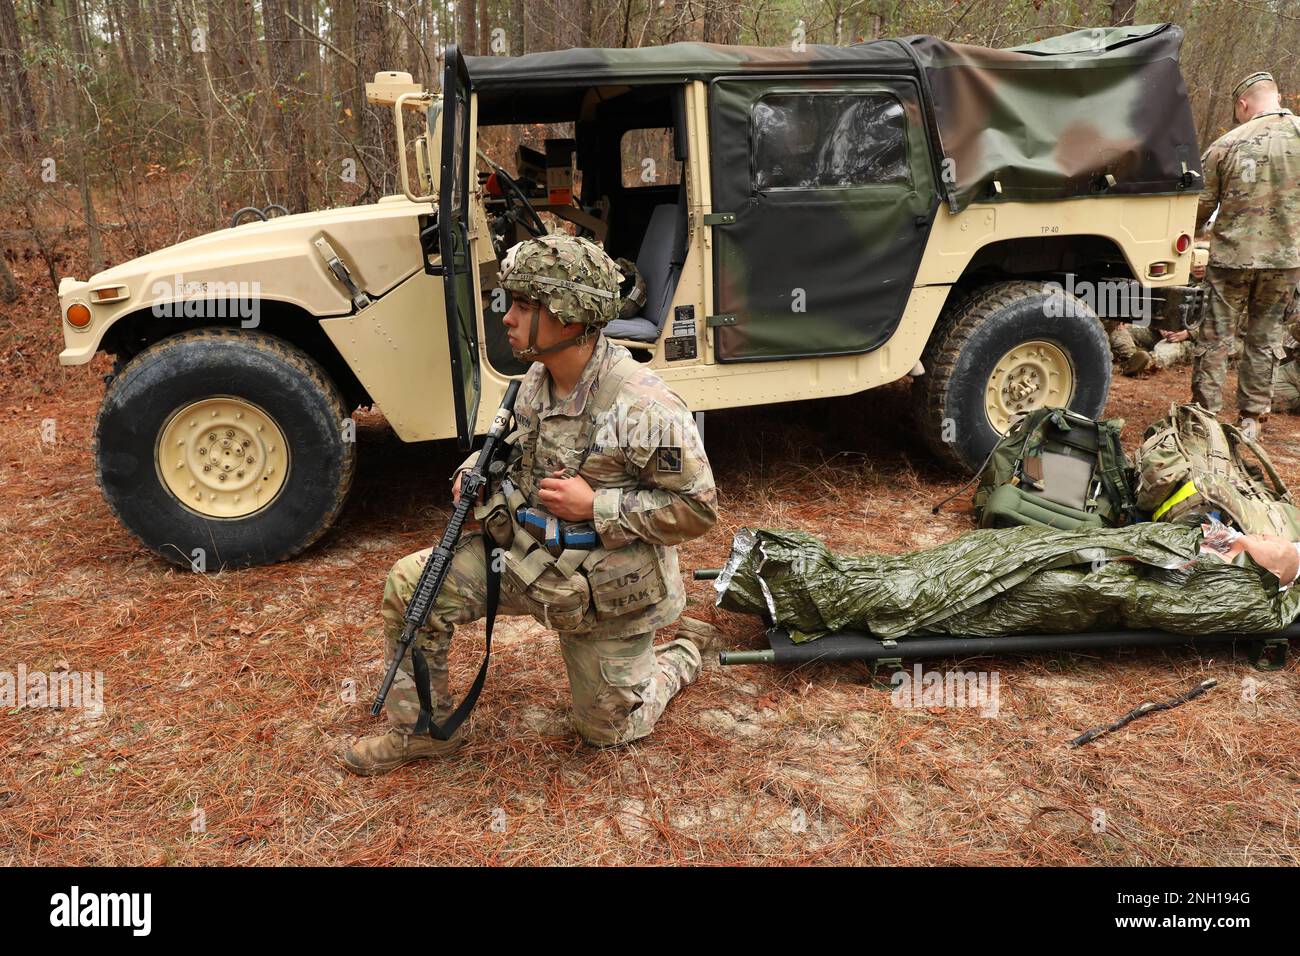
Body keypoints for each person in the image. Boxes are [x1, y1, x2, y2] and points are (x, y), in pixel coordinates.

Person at [339, 234, 719, 775]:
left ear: (566, 317)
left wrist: (597, 505)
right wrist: (476, 471)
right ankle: (422, 730)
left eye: (523, 305)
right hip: (525, 557)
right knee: (411, 585)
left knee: (609, 732)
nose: (507, 317)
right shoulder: (536, 380)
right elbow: (516, 452)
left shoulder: (642, 404)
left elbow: (699, 509)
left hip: (605, 589)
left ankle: (682, 655)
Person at [1190, 71, 1300, 439]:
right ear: (1277, 97)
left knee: (1216, 338)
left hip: (1231, 262)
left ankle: (1203, 417)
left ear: (1243, 104)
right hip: (1286, 261)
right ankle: (1251, 419)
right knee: (1266, 337)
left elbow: (1201, 208)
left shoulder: (1226, 144)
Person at [1102, 319, 1195, 375]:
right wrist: (1162, 325)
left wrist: (1188, 333)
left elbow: (1208, 326)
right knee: (1120, 331)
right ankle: (1129, 359)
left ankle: (1147, 364)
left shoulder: (1207, 290)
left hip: (1185, 339)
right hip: (1157, 330)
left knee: (1170, 347)